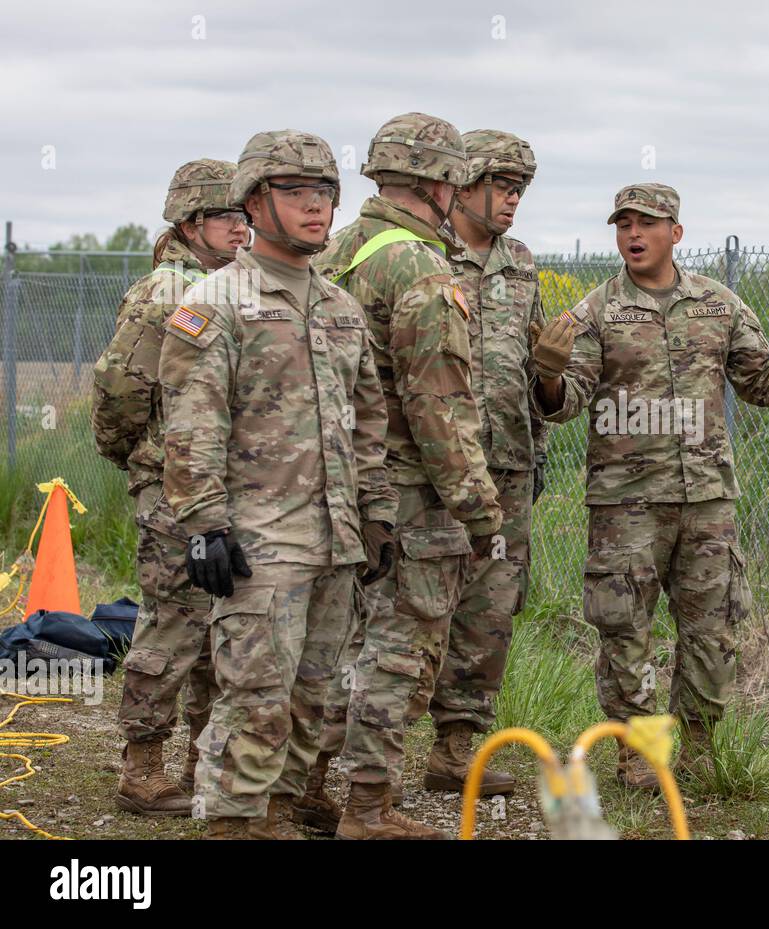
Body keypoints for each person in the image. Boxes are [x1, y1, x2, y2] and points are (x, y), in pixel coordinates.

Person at [159, 129, 397, 839]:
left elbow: (369, 422)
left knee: (313, 691)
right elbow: (192, 422)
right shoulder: (218, 303)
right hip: (259, 540)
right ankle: (237, 820)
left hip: (334, 539)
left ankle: (280, 813)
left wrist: (377, 513)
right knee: (255, 692)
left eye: (325, 193)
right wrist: (204, 523)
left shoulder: (340, 307)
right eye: (296, 193)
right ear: (256, 203)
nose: (317, 208)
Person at [533, 183, 769, 787]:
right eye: (623, 224)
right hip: (627, 503)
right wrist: (546, 373)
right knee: (625, 628)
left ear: (676, 232)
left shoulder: (718, 305)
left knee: (712, 627)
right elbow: (566, 402)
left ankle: (697, 750)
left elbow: (762, 380)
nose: (633, 234)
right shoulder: (595, 311)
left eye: (646, 223)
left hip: (706, 500)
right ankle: (642, 754)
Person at [310, 113, 502, 839]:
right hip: (409, 497)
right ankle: (367, 807)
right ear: (441, 181)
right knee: (400, 654)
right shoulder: (419, 267)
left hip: (338, 487)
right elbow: (441, 408)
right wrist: (481, 511)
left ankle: (306, 784)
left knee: (337, 647)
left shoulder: (339, 252)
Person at [92, 158, 247, 816]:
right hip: (172, 489)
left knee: (222, 630)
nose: (241, 231)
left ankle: (200, 760)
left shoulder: (238, 288)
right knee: (174, 623)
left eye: (247, 217)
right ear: (191, 223)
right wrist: (141, 456)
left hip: (224, 487)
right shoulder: (167, 291)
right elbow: (120, 386)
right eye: (227, 219)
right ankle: (144, 764)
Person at [420, 129, 546, 798]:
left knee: (489, 612)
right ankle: (358, 757)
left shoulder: (521, 263)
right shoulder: (424, 256)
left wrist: (552, 387)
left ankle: (454, 748)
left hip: (510, 465)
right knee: (412, 610)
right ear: (462, 186)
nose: (512, 200)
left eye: (520, 189)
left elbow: (539, 362)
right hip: (436, 466)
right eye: (502, 186)